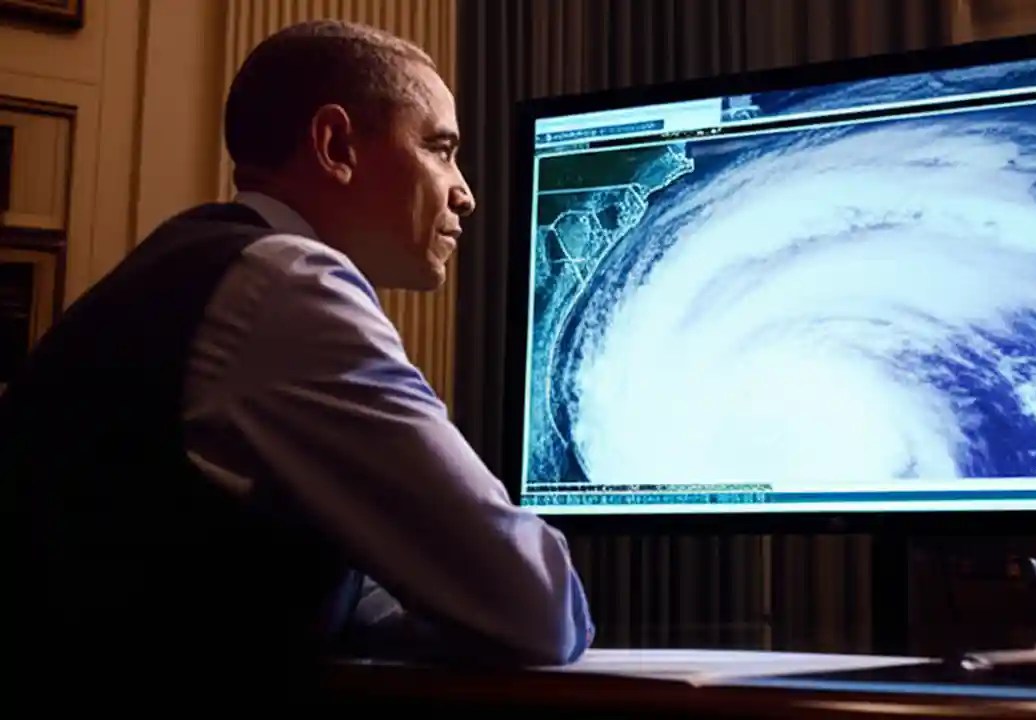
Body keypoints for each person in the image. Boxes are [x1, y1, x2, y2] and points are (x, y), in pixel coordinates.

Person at [1, 19, 593, 684]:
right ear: (336, 144)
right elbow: (538, 610)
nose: (466, 192)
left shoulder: (197, 261)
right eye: (440, 148)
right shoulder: (287, 287)